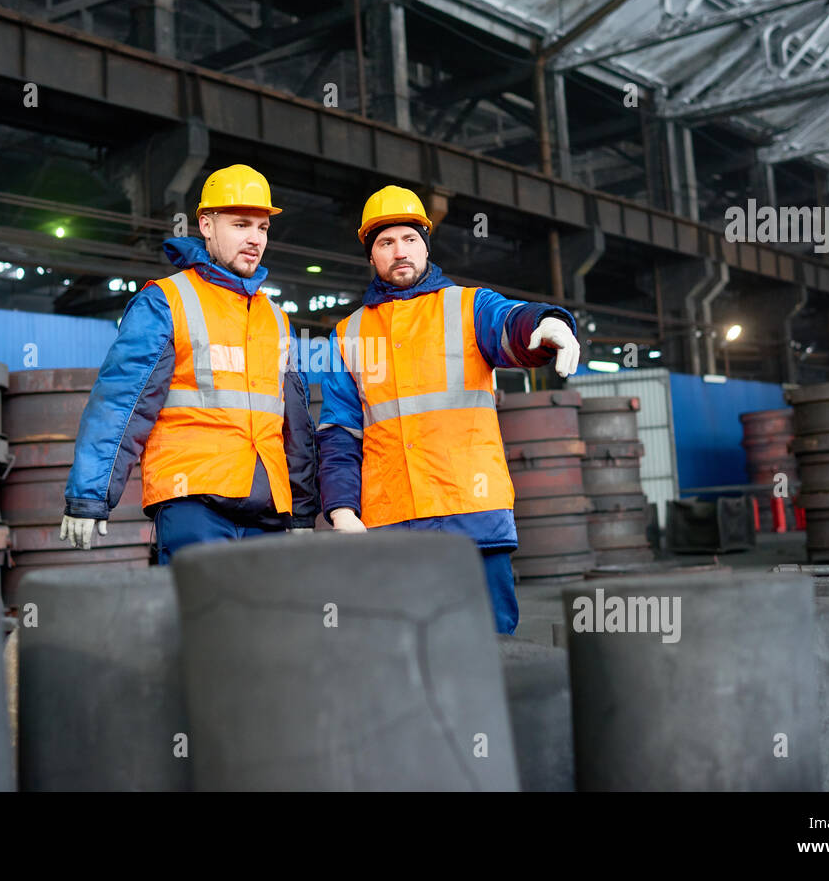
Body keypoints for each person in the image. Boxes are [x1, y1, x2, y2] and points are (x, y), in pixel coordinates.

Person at [315, 185, 580, 633]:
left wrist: (545, 322)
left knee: (493, 650)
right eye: (385, 242)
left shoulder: (469, 307)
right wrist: (341, 508)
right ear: (371, 255)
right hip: (391, 525)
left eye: (409, 239)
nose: (400, 251)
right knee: (403, 657)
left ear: (425, 244)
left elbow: (509, 323)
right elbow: (339, 431)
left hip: (471, 515)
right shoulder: (347, 335)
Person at [60, 164, 318, 563]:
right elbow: (122, 402)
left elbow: (294, 422)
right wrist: (90, 495)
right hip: (193, 502)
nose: (254, 239)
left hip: (267, 509)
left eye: (262, 228)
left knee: (265, 625)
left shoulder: (275, 317)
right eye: (241, 224)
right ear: (206, 225)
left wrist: (302, 510)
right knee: (202, 621)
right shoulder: (166, 301)